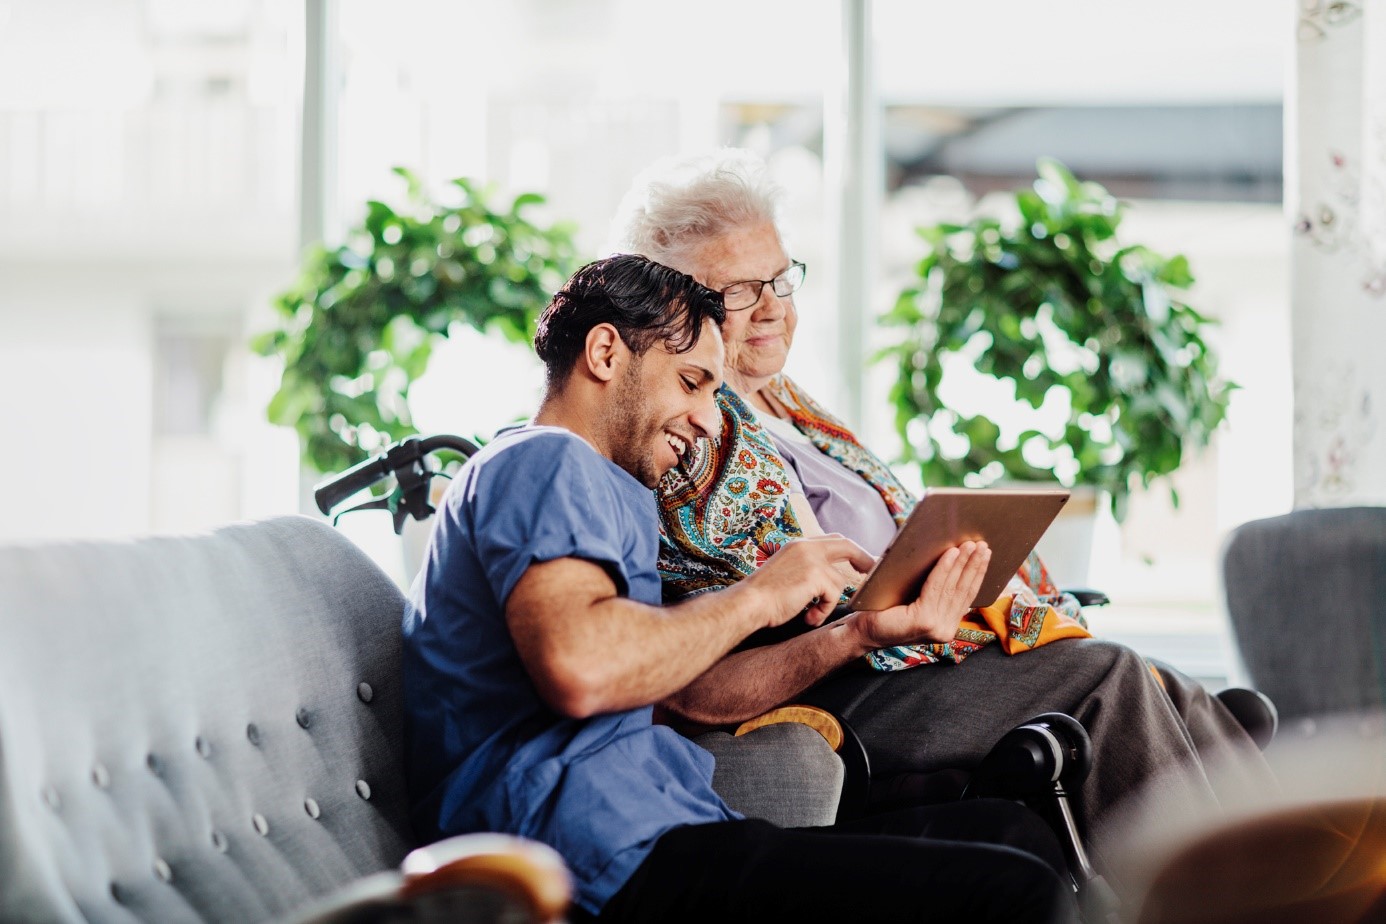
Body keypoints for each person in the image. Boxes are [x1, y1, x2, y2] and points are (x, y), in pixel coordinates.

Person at [614, 148, 1275, 869]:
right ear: (672, 304)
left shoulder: (788, 403)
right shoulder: (688, 428)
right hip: (852, 682)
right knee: (1111, 677)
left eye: (779, 278)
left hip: (921, 653)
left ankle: (1301, 876)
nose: (773, 306)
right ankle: (1243, 888)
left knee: (1162, 684)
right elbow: (728, 631)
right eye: (741, 290)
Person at [401, 253, 1077, 923]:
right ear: (605, 352)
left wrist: (858, 632)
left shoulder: (613, 494)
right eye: (692, 381)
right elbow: (582, 670)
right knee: (1016, 888)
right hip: (596, 863)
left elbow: (686, 695)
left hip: (665, 832)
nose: (706, 418)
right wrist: (759, 594)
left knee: (1011, 832)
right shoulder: (541, 461)